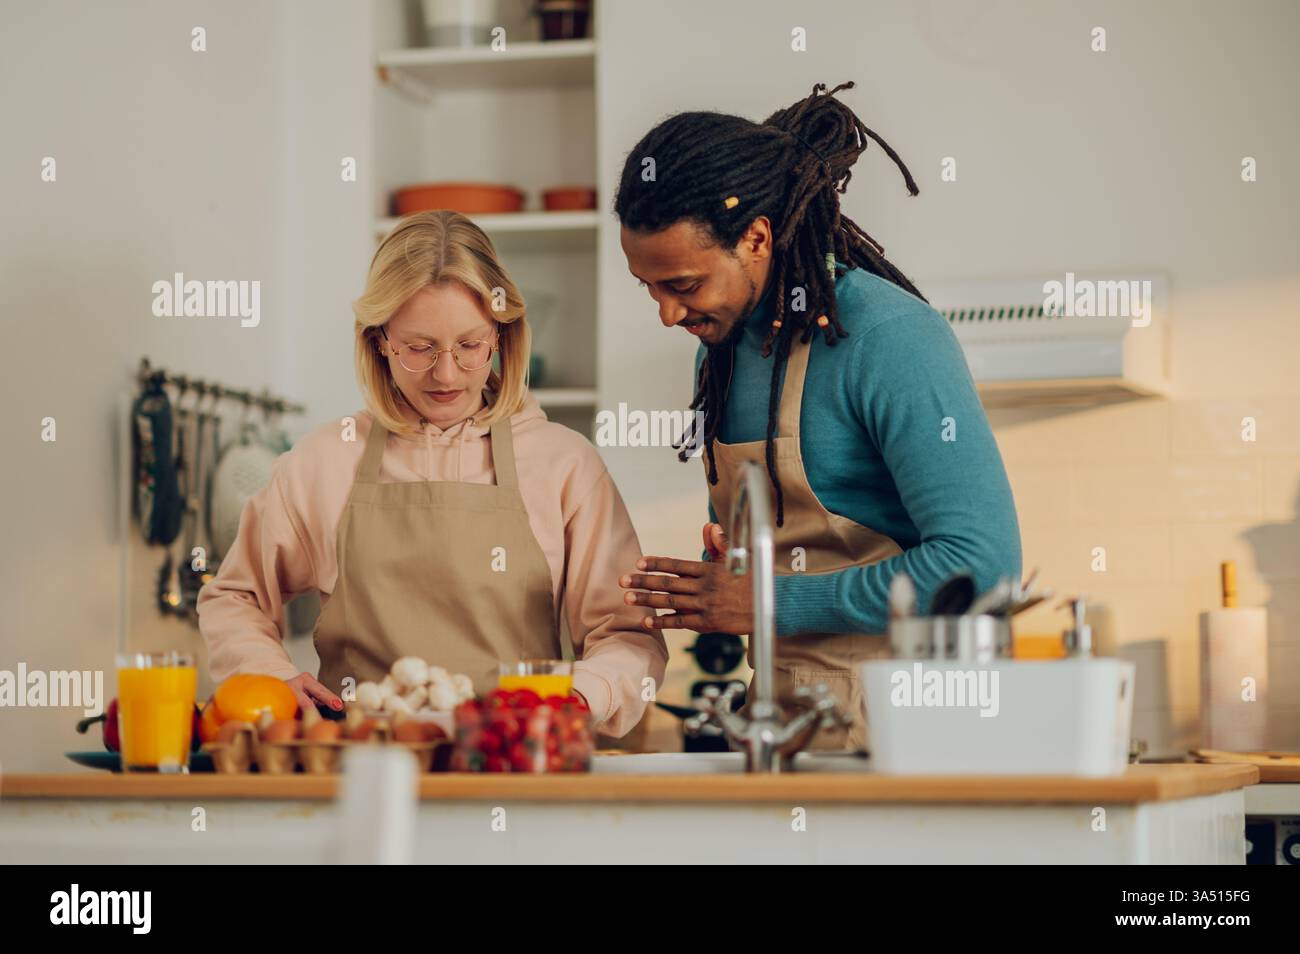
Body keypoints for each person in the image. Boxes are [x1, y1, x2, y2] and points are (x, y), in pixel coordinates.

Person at [613, 82, 1021, 750]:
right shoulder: (721, 352)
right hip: (787, 726)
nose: (666, 313)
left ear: (756, 237)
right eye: (649, 287)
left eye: (682, 285)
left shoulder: (889, 337)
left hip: (914, 736)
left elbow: (983, 566)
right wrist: (725, 576)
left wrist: (771, 601)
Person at [198, 211, 667, 737]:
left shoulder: (564, 463)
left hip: (516, 764)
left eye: (469, 345)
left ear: (501, 335)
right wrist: (271, 676)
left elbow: (628, 633)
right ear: (379, 340)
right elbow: (234, 596)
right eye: (419, 347)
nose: (446, 374)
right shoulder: (325, 460)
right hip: (361, 767)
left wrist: (585, 695)